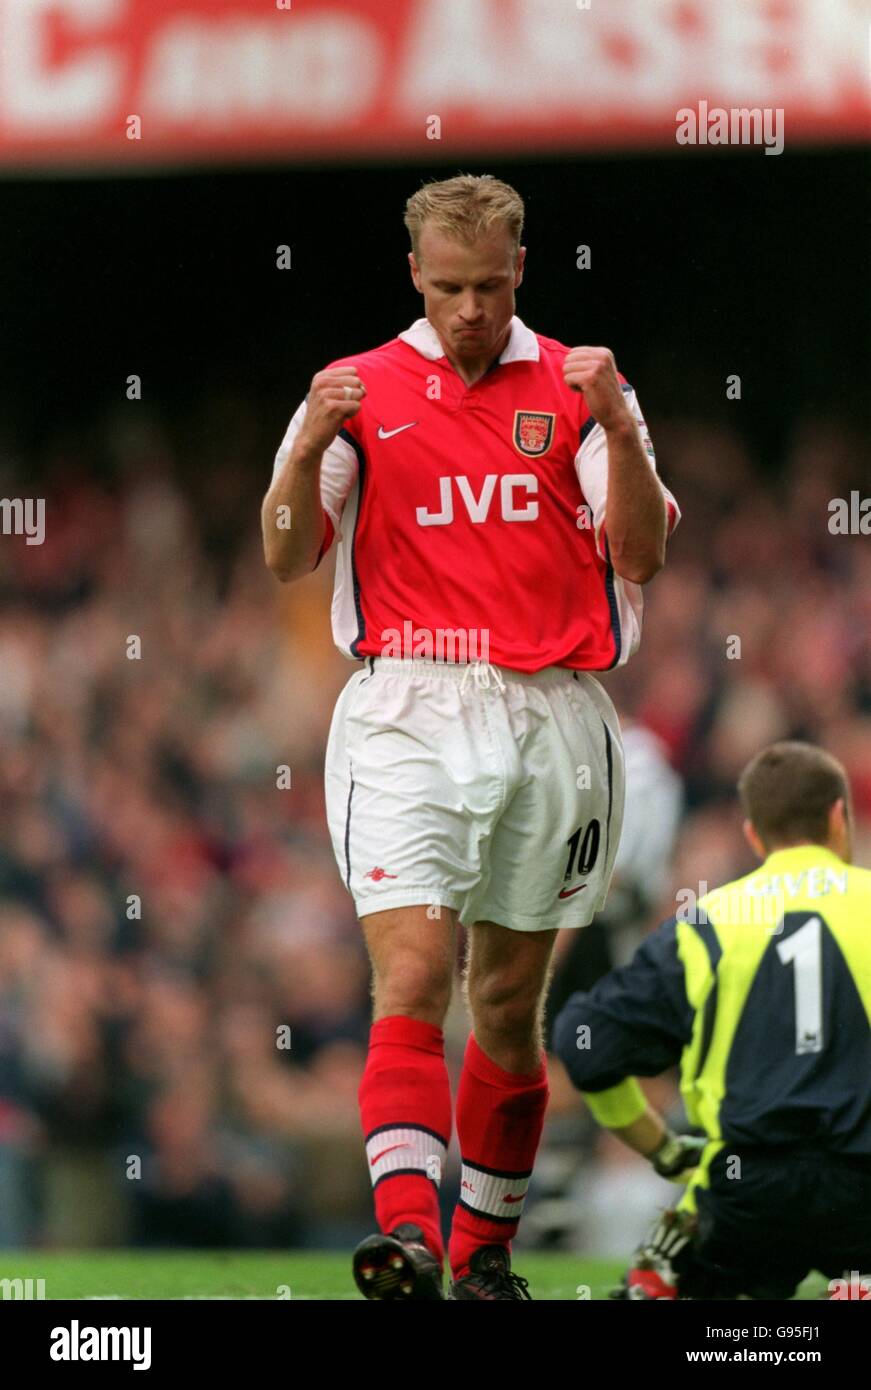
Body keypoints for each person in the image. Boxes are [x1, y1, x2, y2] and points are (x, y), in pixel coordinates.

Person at [261, 174, 679, 1300]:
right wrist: (305, 450)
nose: (469, 311)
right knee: (409, 976)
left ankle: (481, 1254)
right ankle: (402, 1235)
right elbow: (286, 553)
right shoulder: (361, 389)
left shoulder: (577, 386)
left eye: (489, 287)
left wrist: (623, 425)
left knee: (504, 1000)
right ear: (414, 276)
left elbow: (637, 555)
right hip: (405, 703)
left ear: (520, 270)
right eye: (448, 288)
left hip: (551, 707)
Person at [553, 741, 871, 1299]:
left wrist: (659, 1146)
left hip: (746, 1187)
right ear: (839, 817)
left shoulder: (707, 924)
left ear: (753, 834)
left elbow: (586, 1046)